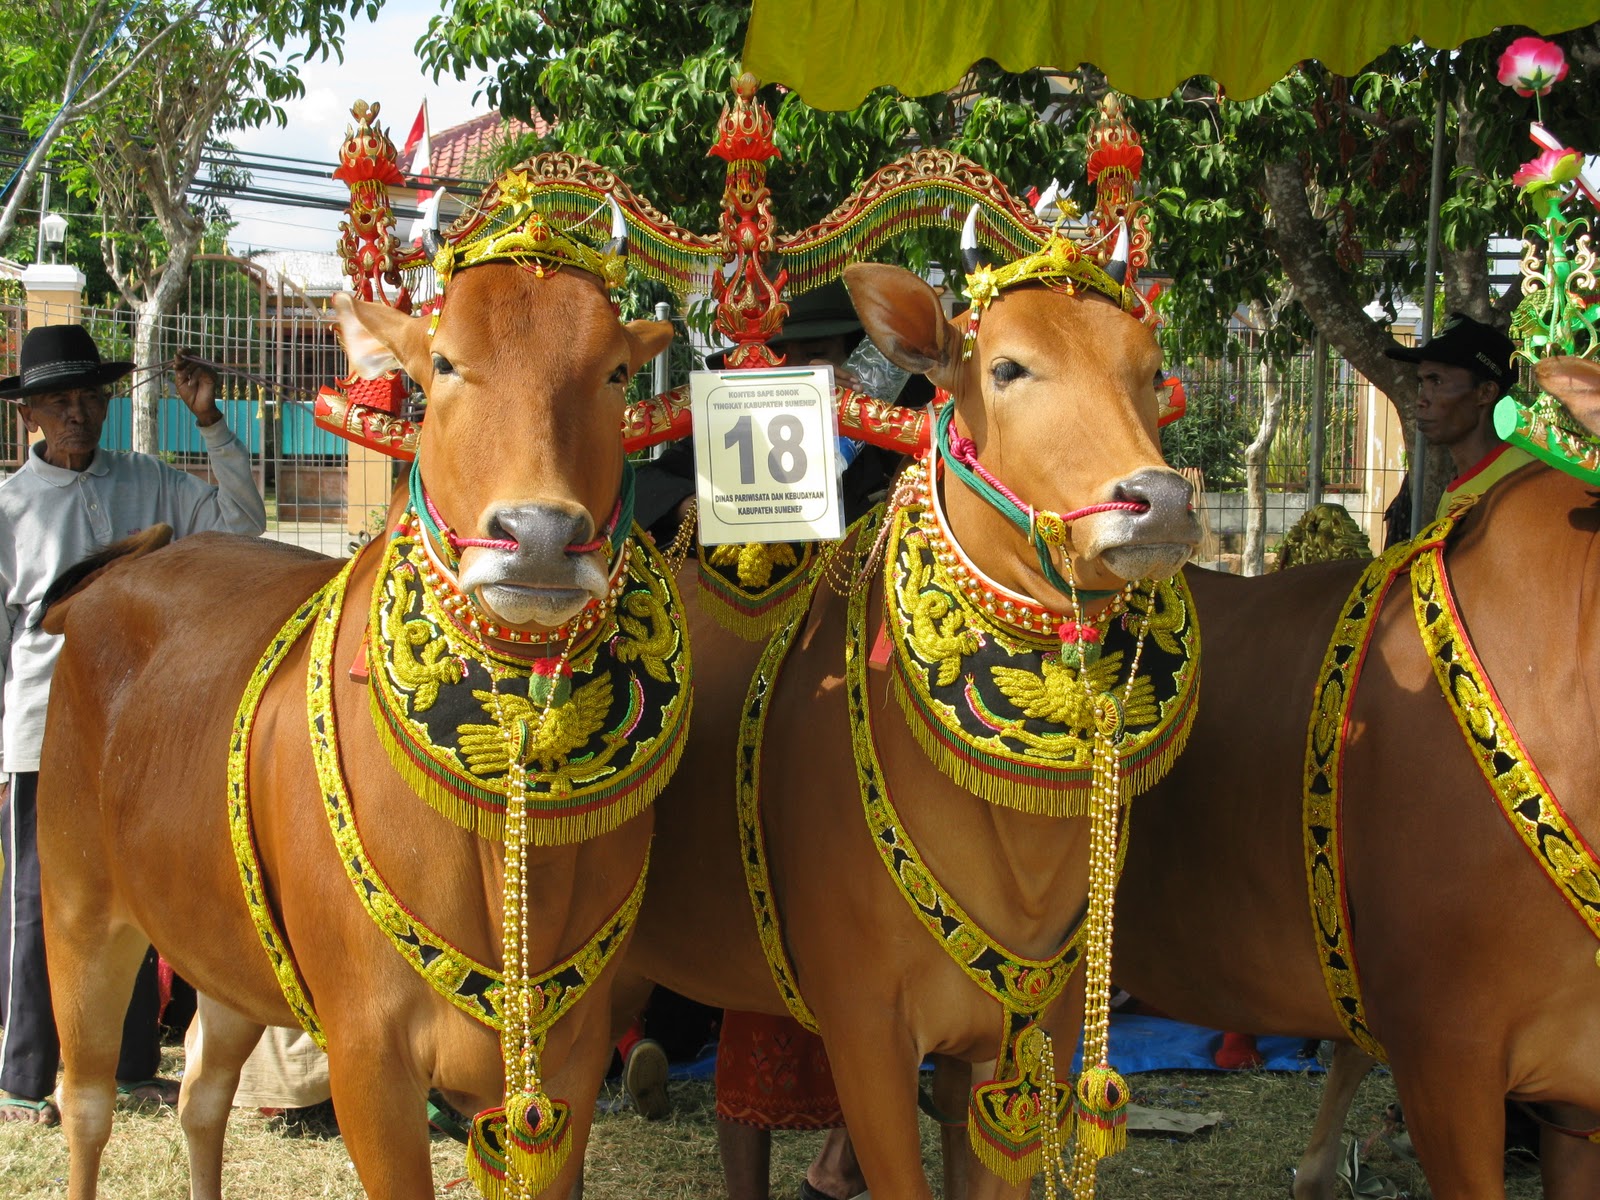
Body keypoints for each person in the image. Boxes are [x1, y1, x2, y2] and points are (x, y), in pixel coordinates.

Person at [0, 324, 267, 1124]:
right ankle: (21, 1079)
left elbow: (241, 524)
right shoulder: (9, 509)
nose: (78, 413)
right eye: (59, 401)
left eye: (90, 396)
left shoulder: (149, 481)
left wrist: (212, 424)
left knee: (136, 896)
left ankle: (127, 1068)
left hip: (137, 735)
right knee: (36, 900)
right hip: (43, 728)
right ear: (31, 417)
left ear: (110, 402)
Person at [1381, 313, 1530, 547]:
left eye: (1436, 381)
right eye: (1423, 383)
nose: (1421, 399)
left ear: (1485, 393)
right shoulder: (1458, 488)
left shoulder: (1521, 480)